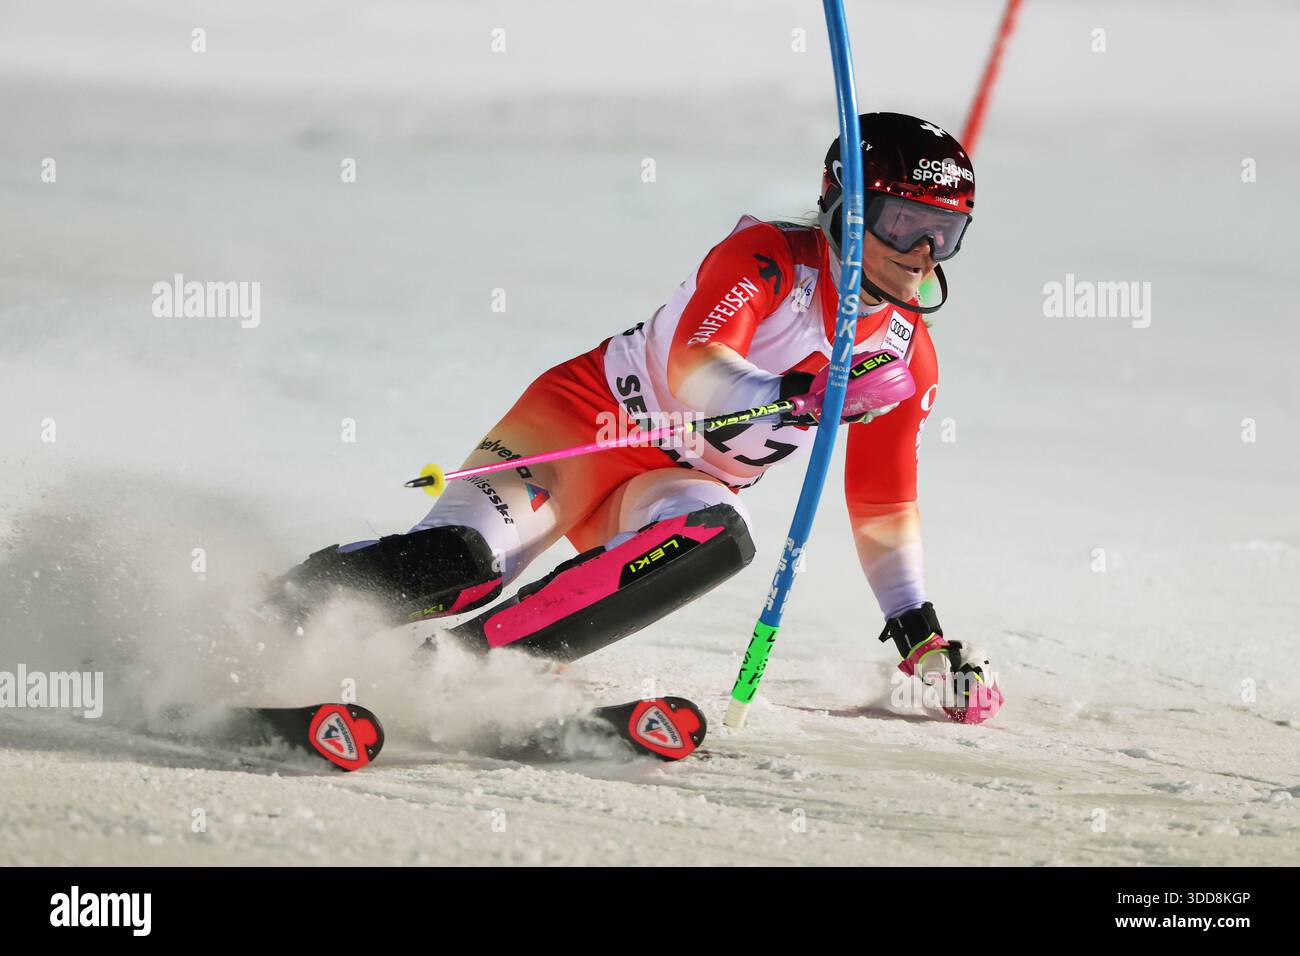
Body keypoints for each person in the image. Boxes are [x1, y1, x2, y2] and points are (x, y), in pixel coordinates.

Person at [274, 112, 1002, 725]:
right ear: (844, 204)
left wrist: (921, 636)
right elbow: (693, 364)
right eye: (905, 224)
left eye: (946, 233)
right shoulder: (769, 259)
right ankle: (276, 613)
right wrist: (794, 389)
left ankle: (465, 668)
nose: (923, 254)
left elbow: (882, 498)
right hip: (586, 425)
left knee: (716, 539)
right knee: (462, 563)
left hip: (670, 483)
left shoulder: (907, 357)